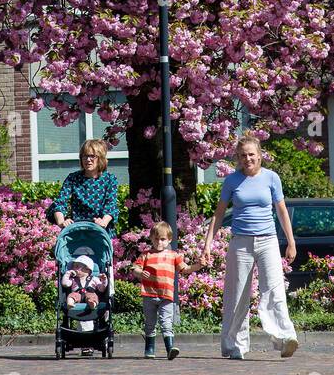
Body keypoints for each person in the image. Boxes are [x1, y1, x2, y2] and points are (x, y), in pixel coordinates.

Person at [202, 134, 299, 360]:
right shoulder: (232, 181)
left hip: (268, 240)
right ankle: (235, 345)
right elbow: (218, 215)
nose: (248, 159)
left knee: (274, 289)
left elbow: (282, 211)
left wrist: (291, 242)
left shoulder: (272, 178)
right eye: (243, 155)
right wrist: (208, 243)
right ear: (238, 157)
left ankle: (285, 338)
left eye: (252, 154)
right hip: (241, 242)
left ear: (260, 155)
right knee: (237, 294)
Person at [131, 221, 190, 361]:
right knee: (150, 323)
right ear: (151, 238)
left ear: (169, 240)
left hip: (166, 295)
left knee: (166, 322)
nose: (159, 242)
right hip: (149, 294)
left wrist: (198, 265)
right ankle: (149, 349)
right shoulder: (146, 255)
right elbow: (135, 269)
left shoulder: (174, 255)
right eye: (156, 239)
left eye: (163, 239)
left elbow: (185, 269)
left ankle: (170, 349)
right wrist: (140, 272)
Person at [51, 139, 119, 236]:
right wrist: (62, 222)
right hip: (77, 232)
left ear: (101, 158)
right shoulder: (73, 178)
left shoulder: (110, 179)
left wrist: (104, 221)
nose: (88, 160)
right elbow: (60, 202)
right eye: (85, 156)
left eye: (92, 156)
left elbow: (111, 205)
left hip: (101, 232)